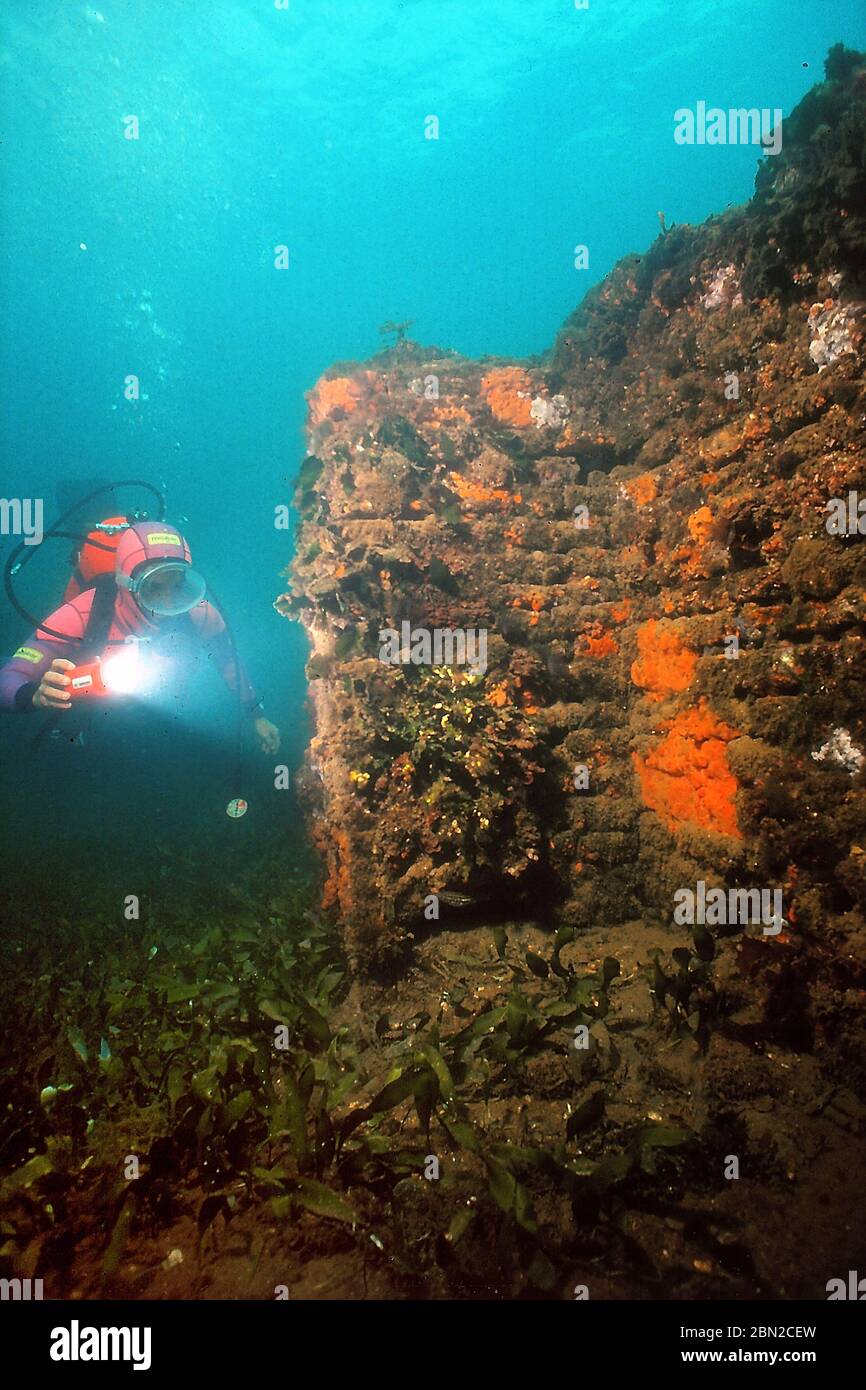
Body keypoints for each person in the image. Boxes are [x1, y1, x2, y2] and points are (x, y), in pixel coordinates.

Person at [0, 520, 281, 754]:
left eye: (179, 585)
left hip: (164, 716)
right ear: (128, 584)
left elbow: (228, 661)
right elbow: (10, 676)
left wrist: (257, 714)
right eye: (154, 588)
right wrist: (35, 696)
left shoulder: (199, 613)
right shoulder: (82, 613)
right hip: (96, 719)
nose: (169, 601)